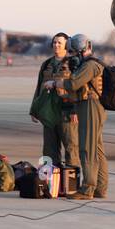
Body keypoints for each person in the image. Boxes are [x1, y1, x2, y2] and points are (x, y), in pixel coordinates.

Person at [46, 33, 106, 199]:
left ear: (79, 50)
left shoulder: (90, 65)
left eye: (72, 51)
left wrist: (55, 83)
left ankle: (88, 188)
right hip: (87, 105)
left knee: (87, 148)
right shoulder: (88, 64)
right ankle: (100, 187)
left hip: (91, 106)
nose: (71, 55)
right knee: (96, 148)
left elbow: (73, 84)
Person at [33, 32, 78, 167]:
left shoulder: (74, 63)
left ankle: (71, 183)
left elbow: (79, 88)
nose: (56, 45)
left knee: (71, 148)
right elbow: (38, 87)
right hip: (49, 112)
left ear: (66, 45)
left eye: (59, 43)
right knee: (49, 150)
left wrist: (76, 110)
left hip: (67, 113)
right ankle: (52, 183)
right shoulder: (46, 64)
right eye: (54, 42)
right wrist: (34, 109)